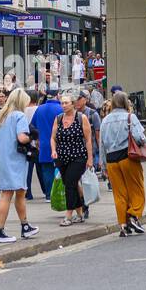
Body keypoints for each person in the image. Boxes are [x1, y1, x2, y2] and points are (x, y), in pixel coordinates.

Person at [0, 88, 40, 244]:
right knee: (8, 194)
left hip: (1, 158)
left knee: (20, 190)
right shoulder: (19, 116)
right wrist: (33, 139)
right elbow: (22, 137)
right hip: (15, 159)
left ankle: (25, 226)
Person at [100, 91, 146, 236]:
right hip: (128, 157)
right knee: (137, 189)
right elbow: (139, 138)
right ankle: (133, 214)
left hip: (111, 160)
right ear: (126, 103)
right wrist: (143, 141)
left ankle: (123, 224)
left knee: (119, 194)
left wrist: (103, 166)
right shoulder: (130, 117)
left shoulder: (105, 120)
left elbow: (102, 144)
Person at [51, 91, 93, 226]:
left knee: (70, 184)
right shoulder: (58, 118)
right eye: (62, 103)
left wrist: (90, 158)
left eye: (66, 103)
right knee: (71, 184)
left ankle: (68, 215)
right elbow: (53, 138)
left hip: (78, 157)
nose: (63, 105)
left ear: (73, 104)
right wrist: (53, 151)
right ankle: (80, 214)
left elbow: (88, 140)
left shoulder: (81, 118)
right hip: (62, 157)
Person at [31, 88, 63, 199]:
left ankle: (49, 195)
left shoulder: (40, 109)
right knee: (60, 168)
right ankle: (59, 193)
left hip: (43, 144)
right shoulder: (61, 109)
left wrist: (37, 139)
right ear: (57, 95)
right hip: (60, 144)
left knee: (46, 169)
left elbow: (32, 125)